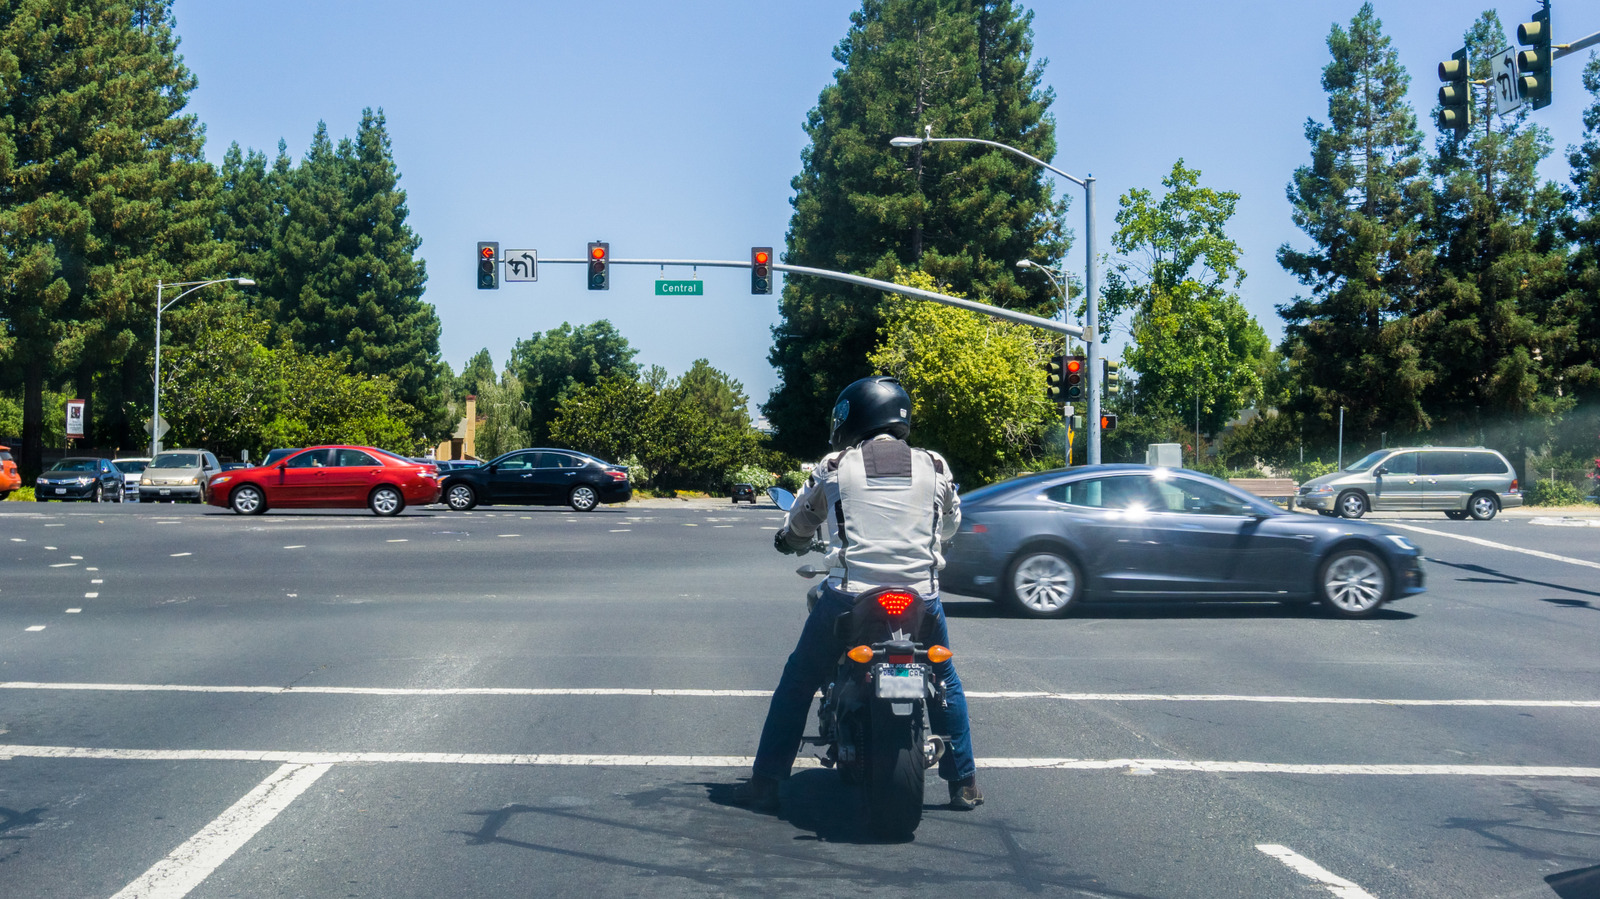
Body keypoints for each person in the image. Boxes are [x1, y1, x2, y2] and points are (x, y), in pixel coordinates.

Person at [734, 376, 982, 814]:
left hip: (851, 594)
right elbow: (950, 525)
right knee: (945, 680)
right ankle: (963, 781)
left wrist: (789, 539)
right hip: (921, 597)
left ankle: (765, 782)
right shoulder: (936, 465)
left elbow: (802, 520)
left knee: (798, 682)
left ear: (856, 415)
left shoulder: (835, 465)